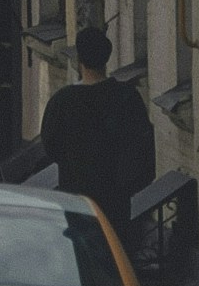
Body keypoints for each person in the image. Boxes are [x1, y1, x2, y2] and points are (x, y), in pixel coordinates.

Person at [37, 28, 157, 230]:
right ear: (106, 57)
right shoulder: (127, 98)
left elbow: (50, 145)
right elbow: (142, 149)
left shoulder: (63, 102)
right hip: (116, 204)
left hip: (76, 199)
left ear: (79, 60)